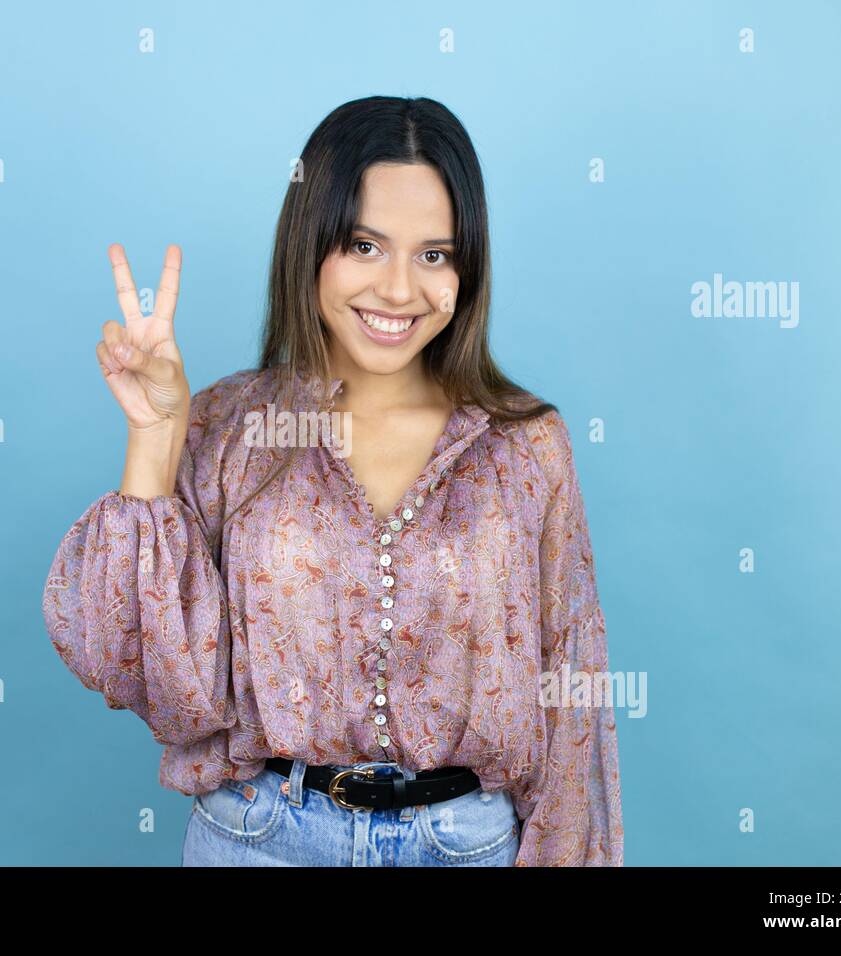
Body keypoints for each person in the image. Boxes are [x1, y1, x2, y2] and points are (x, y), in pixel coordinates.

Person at [41, 95, 623, 866]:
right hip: (259, 839)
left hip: (466, 846)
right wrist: (154, 438)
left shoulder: (526, 446)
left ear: (467, 269)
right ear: (311, 242)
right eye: (364, 245)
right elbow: (151, 679)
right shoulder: (227, 428)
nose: (398, 290)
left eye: (435, 255)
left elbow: (572, 696)